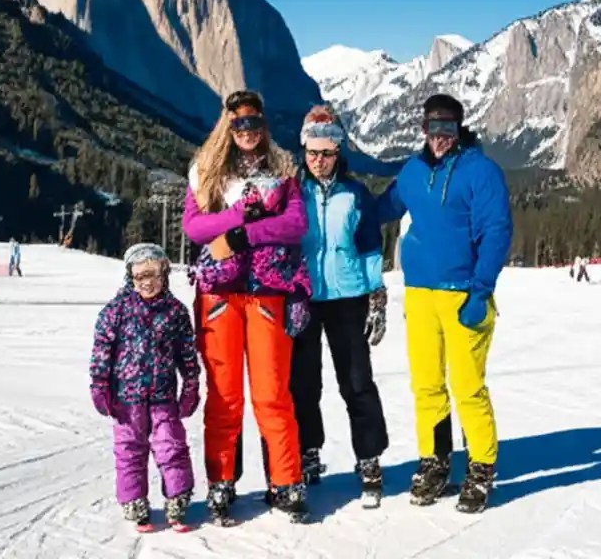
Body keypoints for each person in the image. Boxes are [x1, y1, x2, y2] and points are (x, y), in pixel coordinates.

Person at [376, 93, 512, 514]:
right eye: (434, 129)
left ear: (460, 129)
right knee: (427, 385)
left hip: (464, 294)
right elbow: (384, 207)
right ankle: (435, 461)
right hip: (419, 295)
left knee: (468, 386)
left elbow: (497, 230)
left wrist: (481, 289)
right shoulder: (413, 172)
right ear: (423, 129)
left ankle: (481, 467)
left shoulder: (481, 171)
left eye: (448, 129)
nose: (440, 138)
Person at [181, 90, 312, 524]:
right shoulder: (207, 172)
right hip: (219, 294)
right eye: (239, 124)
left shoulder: (284, 171)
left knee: (273, 393)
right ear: (228, 127)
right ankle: (221, 481)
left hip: (268, 290)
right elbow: (196, 227)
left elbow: (295, 225)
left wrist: (241, 237)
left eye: (254, 123)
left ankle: (286, 480)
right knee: (224, 396)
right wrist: (239, 214)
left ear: (264, 125)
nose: (248, 132)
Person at [291, 105, 390, 506]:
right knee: (303, 383)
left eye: (327, 152)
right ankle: (307, 451)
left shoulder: (356, 193)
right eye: (312, 153)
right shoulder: (292, 193)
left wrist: (376, 299)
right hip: (303, 298)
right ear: (303, 151)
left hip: (348, 298)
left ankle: (368, 457)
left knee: (357, 382)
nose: (319, 161)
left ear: (339, 151)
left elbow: (370, 249)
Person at [89, 244, 200, 531]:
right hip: (126, 398)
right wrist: (100, 385)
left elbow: (187, 354)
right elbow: (102, 350)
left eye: (153, 274)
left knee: (171, 447)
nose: (147, 282)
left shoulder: (175, 312)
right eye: (140, 276)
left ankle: (177, 500)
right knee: (129, 450)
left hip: (163, 396)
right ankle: (135, 503)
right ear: (130, 277)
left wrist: (190, 385)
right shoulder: (116, 311)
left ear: (165, 274)